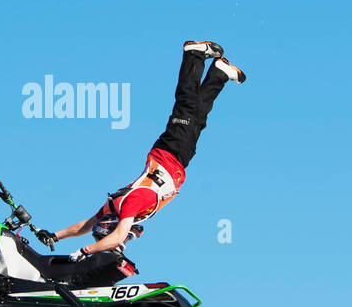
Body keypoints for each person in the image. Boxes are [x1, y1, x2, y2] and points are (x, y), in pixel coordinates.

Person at [37, 40, 245, 261]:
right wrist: (55, 237)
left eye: (125, 236)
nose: (127, 238)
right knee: (198, 117)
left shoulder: (129, 205)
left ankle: (193, 55)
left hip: (170, 152)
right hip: (177, 159)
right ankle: (219, 74)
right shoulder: (112, 208)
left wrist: (83, 251)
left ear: (111, 226)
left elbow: (116, 237)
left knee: (186, 107)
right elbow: (85, 226)